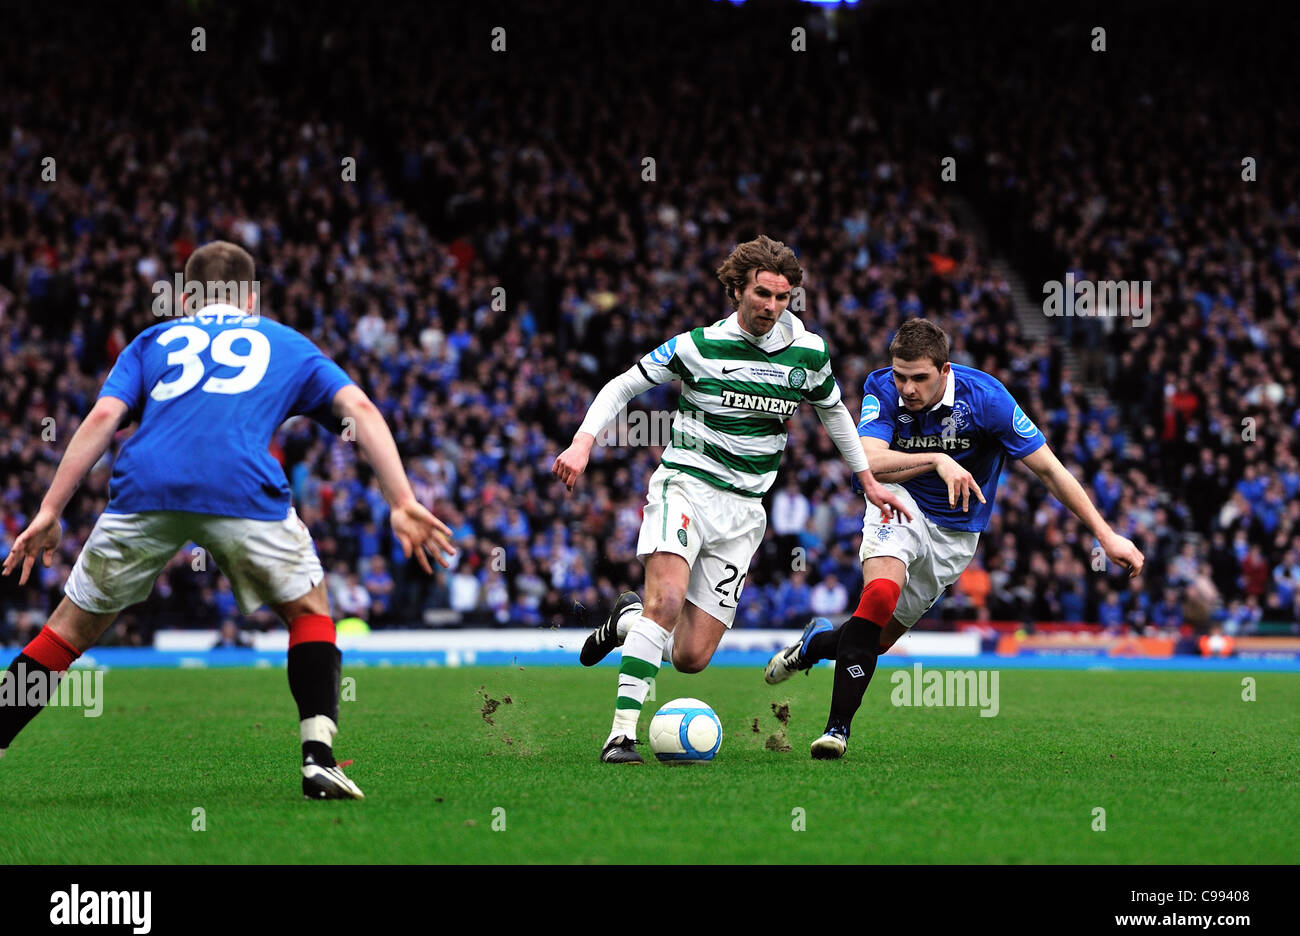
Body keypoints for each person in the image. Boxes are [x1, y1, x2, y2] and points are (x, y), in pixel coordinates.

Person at [0, 241, 455, 798]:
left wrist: (50, 510)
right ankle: (317, 757)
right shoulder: (285, 342)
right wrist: (402, 500)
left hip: (147, 484)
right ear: (250, 296)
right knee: (309, 611)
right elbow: (358, 409)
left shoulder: (152, 340)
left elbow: (103, 416)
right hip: (240, 486)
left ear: (187, 296)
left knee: (67, 630)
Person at [552, 235, 911, 764]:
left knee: (691, 657)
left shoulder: (808, 353)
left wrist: (869, 479)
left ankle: (628, 620)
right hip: (686, 486)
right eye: (762, 294)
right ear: (736, 289)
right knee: (667, 603)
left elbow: (833, 412)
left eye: (782, 297)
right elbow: (622, 386)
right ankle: (621, 734)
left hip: (745, 512)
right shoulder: (697, 346)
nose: (771, 306)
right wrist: (584, 442)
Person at [766, 317, 1144, 758]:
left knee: (877, 639)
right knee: (880, 594)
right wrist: (937, 460)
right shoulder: (881, 387)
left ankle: (815, 644)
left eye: (919, 378)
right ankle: (837, 731)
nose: (907, 388)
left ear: (945, 371)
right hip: (899, 500)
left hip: (956, 533)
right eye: (900, 376)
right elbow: (866, 458)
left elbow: (1049, 470)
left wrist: (1106, 534)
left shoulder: (987, 399)